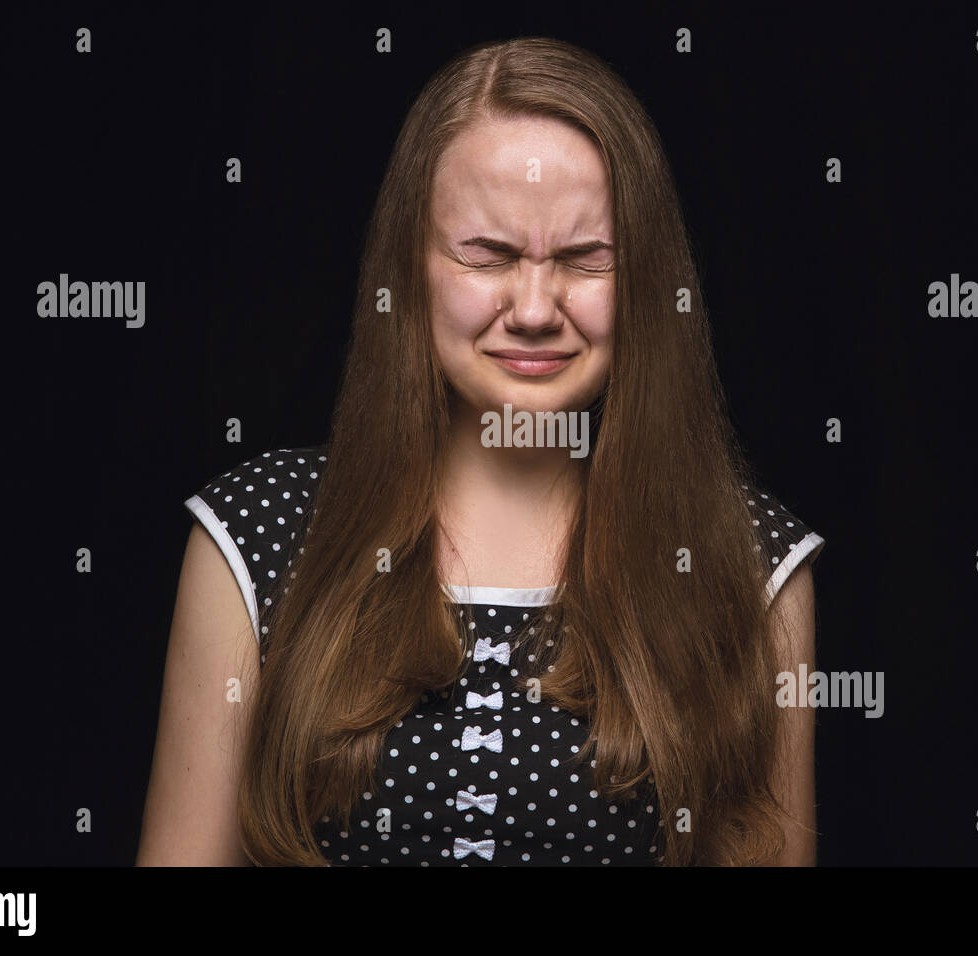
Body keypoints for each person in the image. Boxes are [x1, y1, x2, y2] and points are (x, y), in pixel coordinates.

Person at [137, 36, 824, 867]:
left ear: (645, 279)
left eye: (583, 260)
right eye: (489, 256)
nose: (535, 308)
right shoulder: (260, 535)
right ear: (412, 266)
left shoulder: (750, 568)